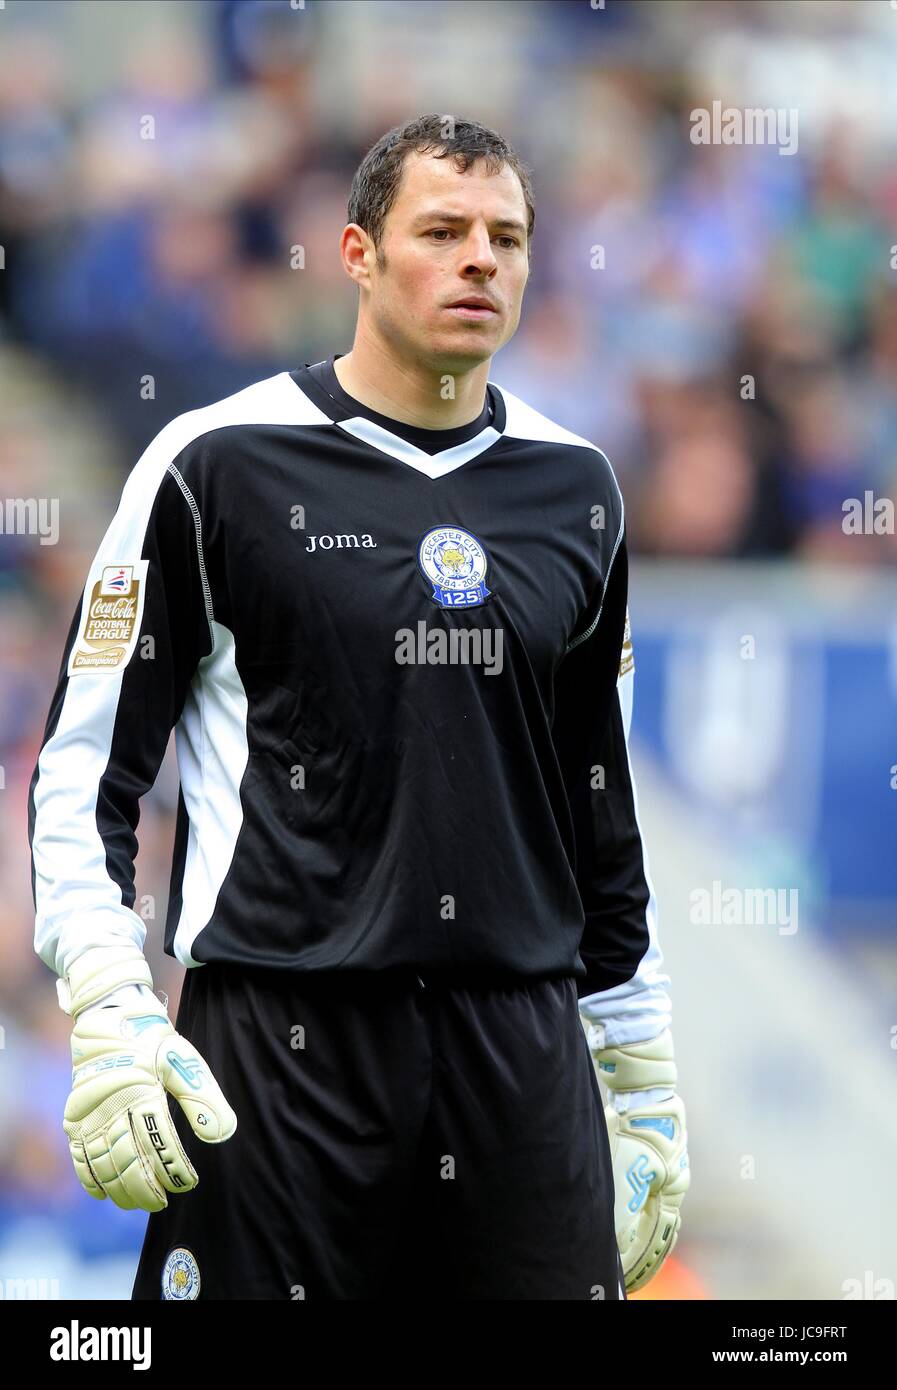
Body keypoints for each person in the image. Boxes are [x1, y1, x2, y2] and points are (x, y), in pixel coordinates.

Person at [28, 114, 688, 1301]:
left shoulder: (579, 489)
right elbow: (84, 772)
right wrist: (109, 1006)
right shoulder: (212, 463)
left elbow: (601, 812)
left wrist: (638, 1070)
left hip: (520, 1060)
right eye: (442, 231)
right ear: (356, 254)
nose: (480, 260)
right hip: (279, 1060)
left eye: (507, 237)